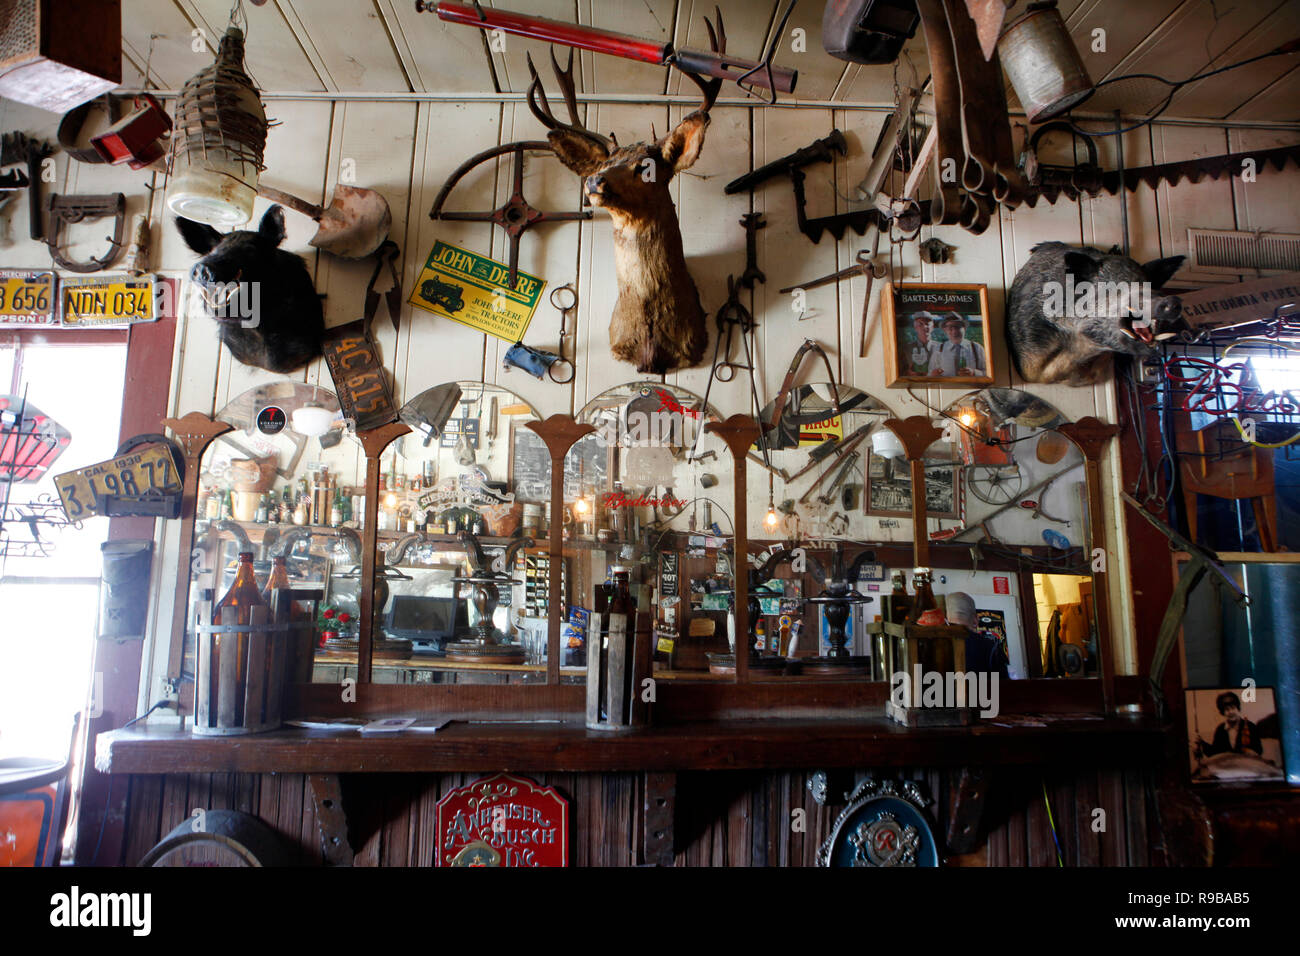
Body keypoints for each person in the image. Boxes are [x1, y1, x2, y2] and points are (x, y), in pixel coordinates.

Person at [944, 591, 1009, 678]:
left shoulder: (936, 648)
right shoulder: (991, 647)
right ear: (975, 620)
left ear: (945, 620)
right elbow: (1005, 687)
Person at [1196, 691, 1263, 757]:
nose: (1230, 712)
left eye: (1233, 708)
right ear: (1222, 712)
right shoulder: (1220, 729)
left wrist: (1252, 752)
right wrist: (1202, 743)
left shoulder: (1251, 726)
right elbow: (1215, 753)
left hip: (1247, 765)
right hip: (1228, 766)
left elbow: (1259, 751)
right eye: (1227, 709)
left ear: (1238, 709)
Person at [928, 312, 987, 377]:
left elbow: (988, 373)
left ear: (964, 328)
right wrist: (933, 374)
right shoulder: (938, 349)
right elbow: (930, 373)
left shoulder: (977, 348)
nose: (954, 331)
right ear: (945, 330)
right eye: (950, 328)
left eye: (957, 327)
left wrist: (974, 373)